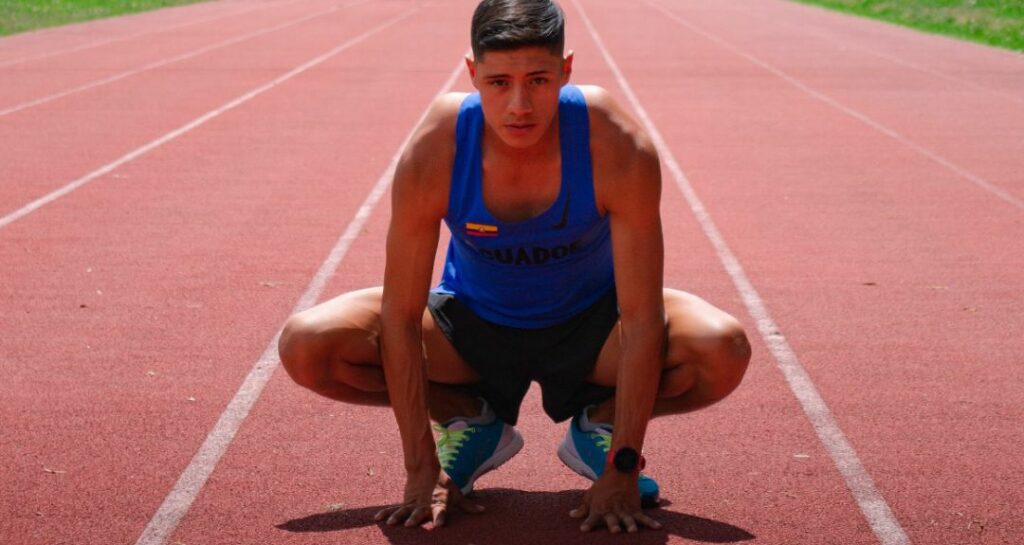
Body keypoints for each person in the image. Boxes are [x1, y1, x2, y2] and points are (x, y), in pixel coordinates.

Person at [278, 0, 750, 534]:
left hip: (593, 332)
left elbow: (641, 318)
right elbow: (402, 316)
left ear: (566, 69)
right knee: (308, 346)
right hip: (472, 328)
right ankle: (469, 419)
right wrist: (420, 470)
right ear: (472, 73)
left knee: (722, 350)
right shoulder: (438, 147)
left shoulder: (614, 142)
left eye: (539, 80)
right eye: (499, 82)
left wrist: (624, 465)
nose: (520, 104)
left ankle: (601, 426)